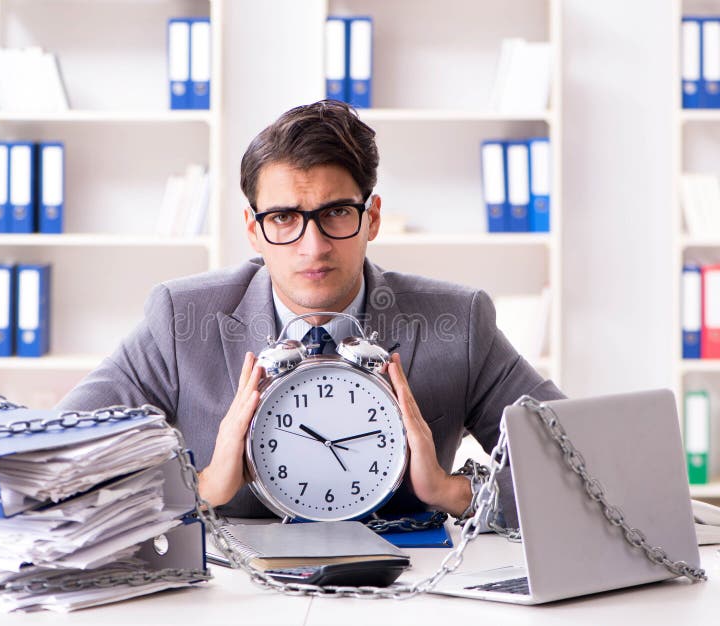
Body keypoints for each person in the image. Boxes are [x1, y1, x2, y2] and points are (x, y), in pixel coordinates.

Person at [56, 99, 564, 524]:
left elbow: (579, 468)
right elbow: (60, 462)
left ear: (373, 217)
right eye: (283, 218)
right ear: (254, 230)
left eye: (336, 213)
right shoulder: (180, 319)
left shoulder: (458, 322)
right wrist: (200, 486)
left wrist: (452, 492)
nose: (313, 246)